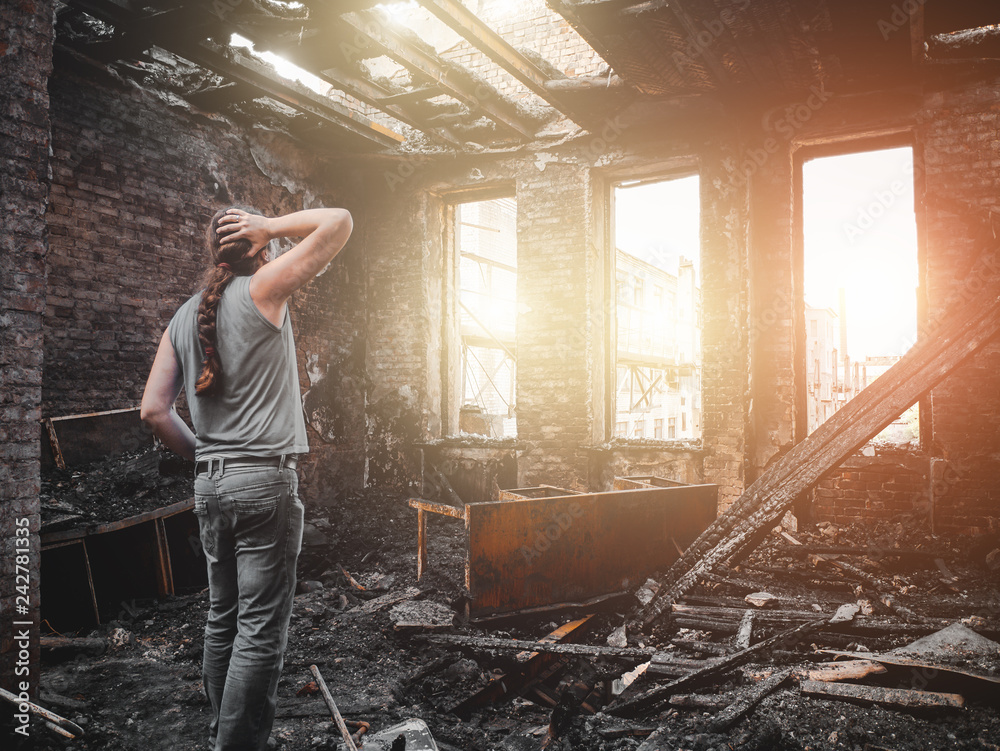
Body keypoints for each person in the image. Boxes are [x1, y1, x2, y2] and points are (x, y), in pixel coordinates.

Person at [140, 205, 353, 751]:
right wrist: (274, 225)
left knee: (222, 619)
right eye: (266, 238)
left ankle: (222, 733)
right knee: (259, 631)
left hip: (210, 486)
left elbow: (154, 411)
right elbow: (340, 221)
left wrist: (210, 460)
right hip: (264, 484)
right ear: (259, 248)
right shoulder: (264, 288)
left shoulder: (184, 316)